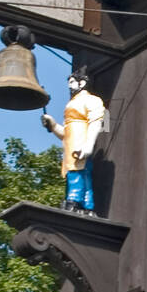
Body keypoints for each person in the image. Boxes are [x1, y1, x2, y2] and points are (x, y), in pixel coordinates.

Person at [41, 70, 106, 215]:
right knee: (82, 172)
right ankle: (87, 206)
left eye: (72, 82)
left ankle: (74, 200)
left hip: (80, 140)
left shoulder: (91, 100)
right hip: (71, 142)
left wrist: (88, 145)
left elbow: (96, 123)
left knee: (76, 171)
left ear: (81, 83)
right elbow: (65, 133)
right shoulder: (72, 104)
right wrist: (52, 125)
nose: (69, 86)